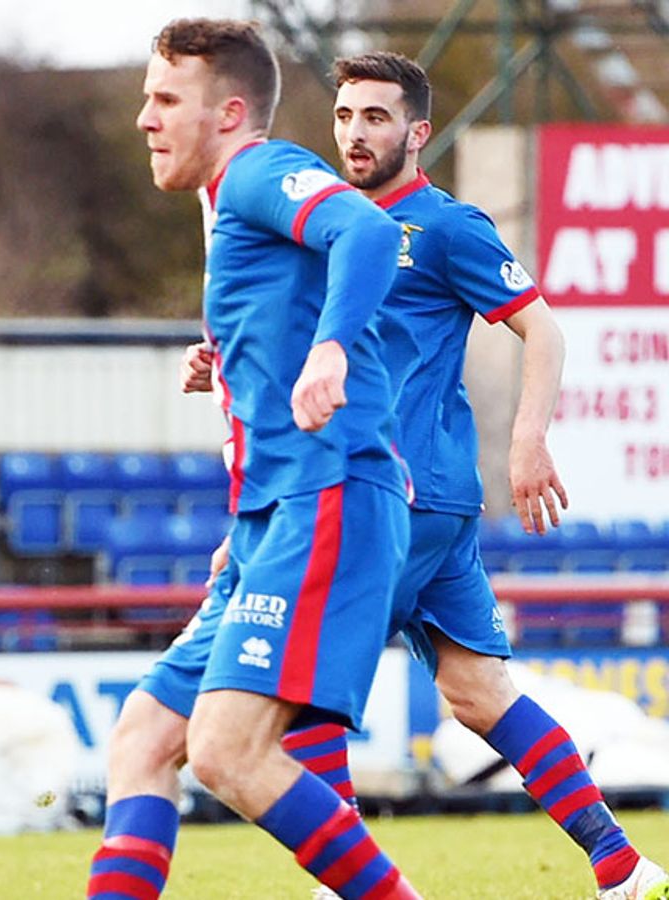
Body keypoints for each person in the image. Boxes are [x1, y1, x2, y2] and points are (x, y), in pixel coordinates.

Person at [91, 48, 669, 900]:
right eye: (344, 116)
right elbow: (304, 339)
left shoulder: (439, 227)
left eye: (376, 117)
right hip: (392, 495)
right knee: (479, 694)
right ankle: (621, 863)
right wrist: (224, 360)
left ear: (418, 131)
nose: (355, 133)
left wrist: (526, 440)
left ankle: (346, 877)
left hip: (392, 488)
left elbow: (543, 331)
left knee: (287, 701)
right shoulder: (329, 229)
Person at [86, 19, 420, 900]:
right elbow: (283, 318)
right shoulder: (227, 204)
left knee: (226, 750)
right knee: (143, 740)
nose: (143, 120)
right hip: (273, 514)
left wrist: (332, 349)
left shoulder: (258, 171)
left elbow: (370, 234)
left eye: (165, 99)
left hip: (331, 492)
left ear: (230, 112)